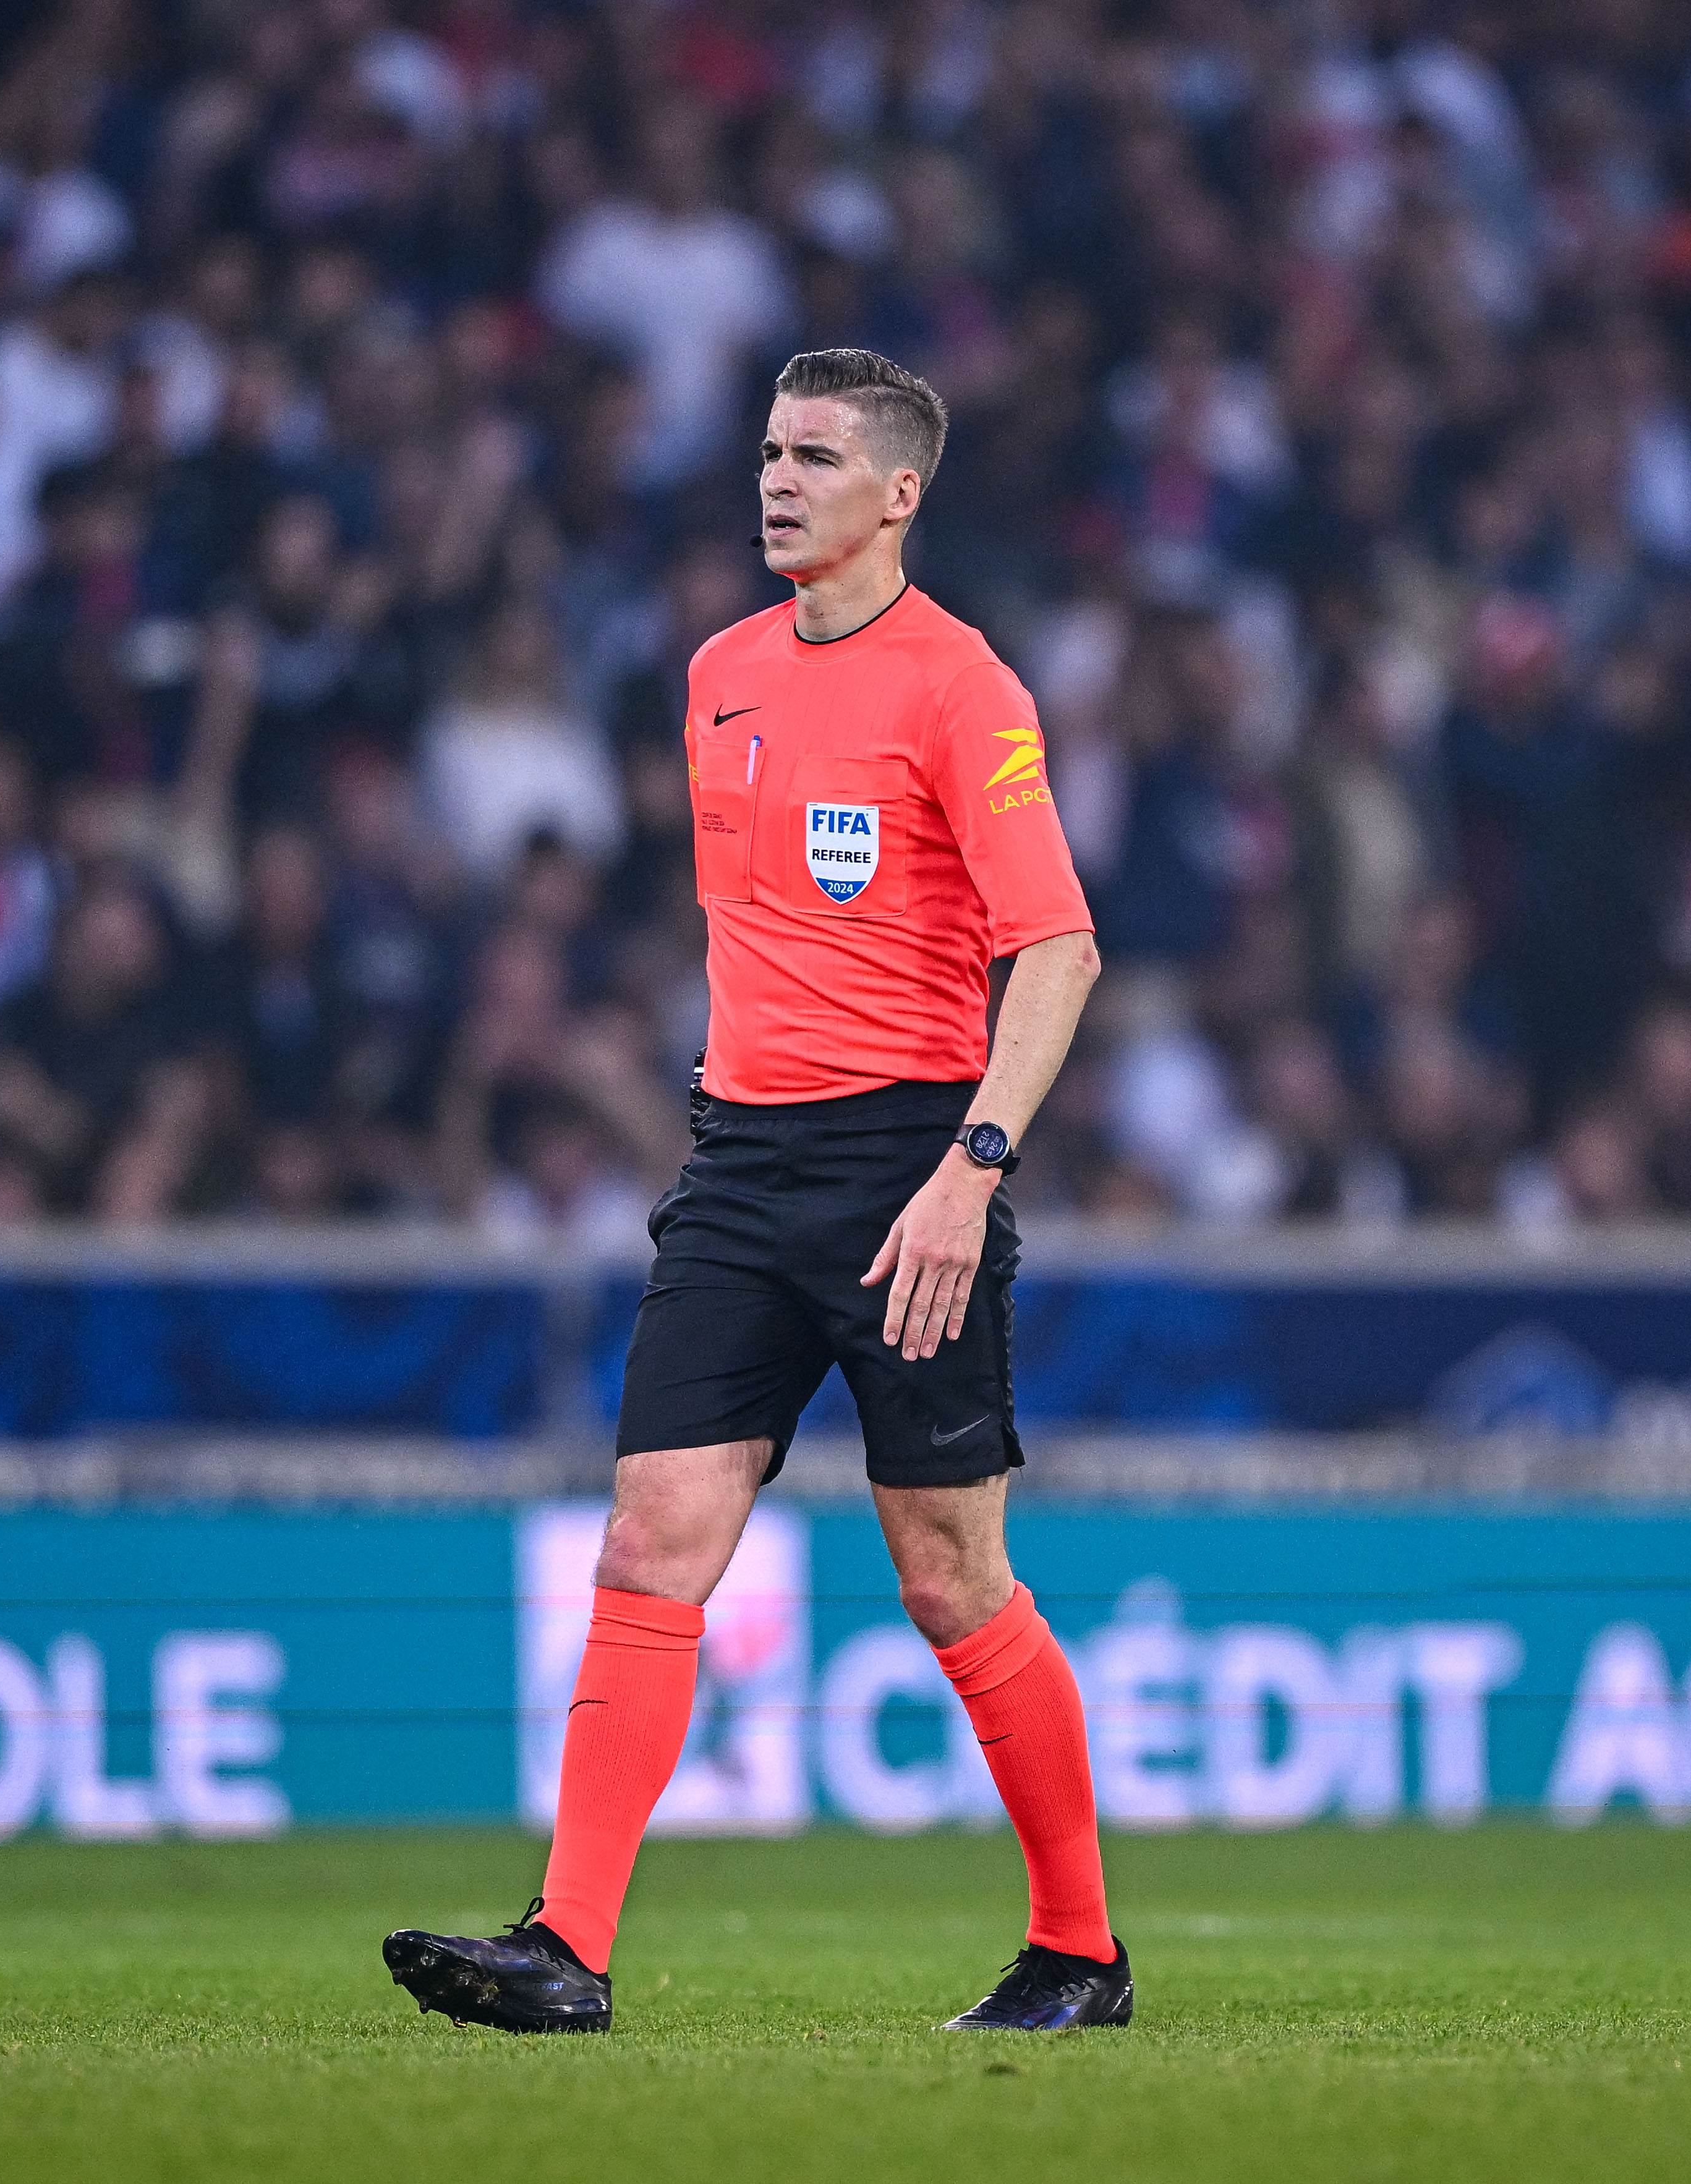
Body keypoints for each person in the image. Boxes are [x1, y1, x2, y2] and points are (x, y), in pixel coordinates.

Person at [384, 349, 1122, 2036]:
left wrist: (970, 1169)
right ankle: (566, 1945)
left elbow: (1060, 946)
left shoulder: (965, 689)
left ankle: (1080, 1948)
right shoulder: (718, 673)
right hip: (737, 1164)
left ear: (899, 493)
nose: (777, 480)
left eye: (815, 457)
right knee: (650, 1532)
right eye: (769, 451)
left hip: (908, 1165)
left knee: (949, 1573)